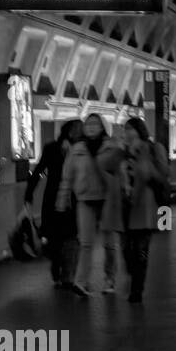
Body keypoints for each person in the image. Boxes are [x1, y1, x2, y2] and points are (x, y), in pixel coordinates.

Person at [56, 113, 125, 298]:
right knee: (85, 243)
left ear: (103, 126)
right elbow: (67, 176)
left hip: (107, 200)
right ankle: (80, 282)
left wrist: (125, 190)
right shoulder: (77, 148)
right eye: (88, 123)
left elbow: (121, 172)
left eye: (95, 123)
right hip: (85, 200)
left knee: (109, 244)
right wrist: (62, 199)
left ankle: (109, 279)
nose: (91, 126)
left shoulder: (111, 146)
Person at [26, 119, 81, 289]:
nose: (80, 131)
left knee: (71, 237)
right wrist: (29, 193)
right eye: (77, 128)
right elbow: (39, 170)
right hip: (53, 200)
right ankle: (56, 265)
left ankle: (68, 275)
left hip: (74, 200)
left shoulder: (82, 150)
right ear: (68, 130)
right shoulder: (51, 148)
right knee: (55, 237)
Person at [119, 117, 169, 304]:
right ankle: (134, 274)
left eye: (131, 128)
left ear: (140, 130)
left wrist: (145, 165)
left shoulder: (154, 148)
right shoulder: (122, 152)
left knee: (141, 249)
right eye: (125, 129)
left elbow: (163, 175)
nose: (127, 132)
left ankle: (137, 289)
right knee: (126, 249)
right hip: (124, 206)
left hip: (145, 206)